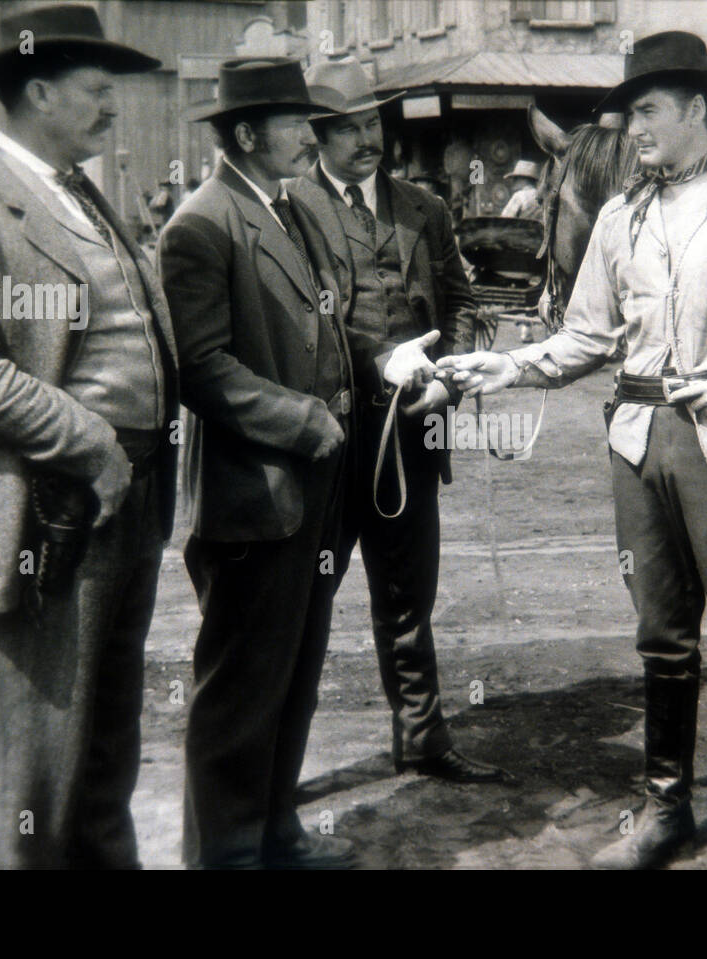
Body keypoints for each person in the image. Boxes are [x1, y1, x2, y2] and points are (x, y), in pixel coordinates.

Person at [440, 30, 707, 869]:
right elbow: (584, 337)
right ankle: (668, 807)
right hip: (637, 444)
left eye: (651, 111)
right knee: (662, 637)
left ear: (699, 111)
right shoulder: (621, 217)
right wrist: (502, 367)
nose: (635, 130)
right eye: (630, 115)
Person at [0, 4, 177, 867]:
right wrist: (94, 443)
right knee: (29, 773)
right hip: (45, 520)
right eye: (98, 92)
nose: (112, 109)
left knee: (104, 750)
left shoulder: (84, 194)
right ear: (40, 89)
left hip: (126, 510)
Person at [158, 57, 442, 869]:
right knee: (240, 688)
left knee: (293, 676)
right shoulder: (202, 225)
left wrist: (383, 361)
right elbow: (203, 367)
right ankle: (226, 851)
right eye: (295, 122)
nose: (309, 135)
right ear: (248, 134)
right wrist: (303, 419)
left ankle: (274, 831)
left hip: (306, 493)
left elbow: (328, 326)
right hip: (255, 494)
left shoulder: (288, 212)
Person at [289, 57, 509, 784]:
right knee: (304, 607)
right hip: (326, 443)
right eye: (347, 128)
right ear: (317, 135)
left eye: (372, 124)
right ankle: (276, 769)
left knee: (410, 595)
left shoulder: (425, 207)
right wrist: (377, 357)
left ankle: (422, 736)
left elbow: (468, 306)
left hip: (415, 435)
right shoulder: (288, 211)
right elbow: (296, 326)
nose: (365, 140)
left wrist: (451, 381)